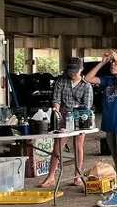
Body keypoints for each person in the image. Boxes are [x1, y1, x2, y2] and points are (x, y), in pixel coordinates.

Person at [40, 55, 93, 188]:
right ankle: (51, 176)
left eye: (75, 71)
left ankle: (78, 176)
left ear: (81, 70)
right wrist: (56, 111)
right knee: (57, 147)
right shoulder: (61, 81)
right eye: (70, 70)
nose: (72, 73)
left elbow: (86, 106)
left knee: (78, 146)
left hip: (80, 117)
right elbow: (56, 100)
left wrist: (77, 114)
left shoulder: (86, 86)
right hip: (63, 117)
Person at [86, 49, 117, 207]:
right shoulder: (109, 80)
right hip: (109, 124)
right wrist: (103, 62)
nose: (112, 65)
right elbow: (88, 78)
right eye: (112, 63)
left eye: (115, 63)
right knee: (115, 158)